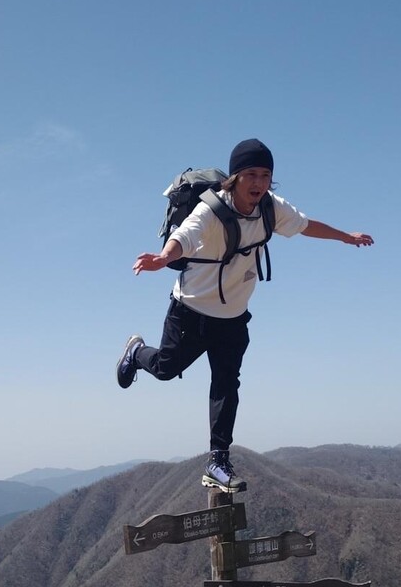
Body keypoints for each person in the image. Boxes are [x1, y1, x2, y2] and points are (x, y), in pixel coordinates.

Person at [116, 138, 374, 493]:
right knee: (165, 368)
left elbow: (304, 225)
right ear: (235, 177)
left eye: (266, 175)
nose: (259, 182)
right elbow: (185, 237)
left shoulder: (271, 209)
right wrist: (163, 258)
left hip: (233, 316)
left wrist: (346, 237)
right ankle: (135, 351)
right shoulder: (211, 210)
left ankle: (218, 460)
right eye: (251, 174)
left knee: (226, 384)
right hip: (191, 310)